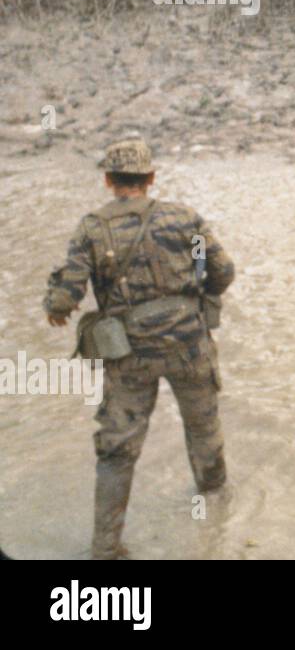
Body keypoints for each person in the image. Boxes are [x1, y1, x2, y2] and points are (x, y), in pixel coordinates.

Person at [43, 138, 236, 560]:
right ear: (150, 177)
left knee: (117, 452)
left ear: (108, 180)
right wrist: (197, 297)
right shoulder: (185, 219)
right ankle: (216, 518)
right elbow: (221, 270)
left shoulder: (91, 229)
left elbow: (66, 296)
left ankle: (106, 548)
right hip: (189, 345)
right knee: (203, 428)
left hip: (129, 356)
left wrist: (54, 306)